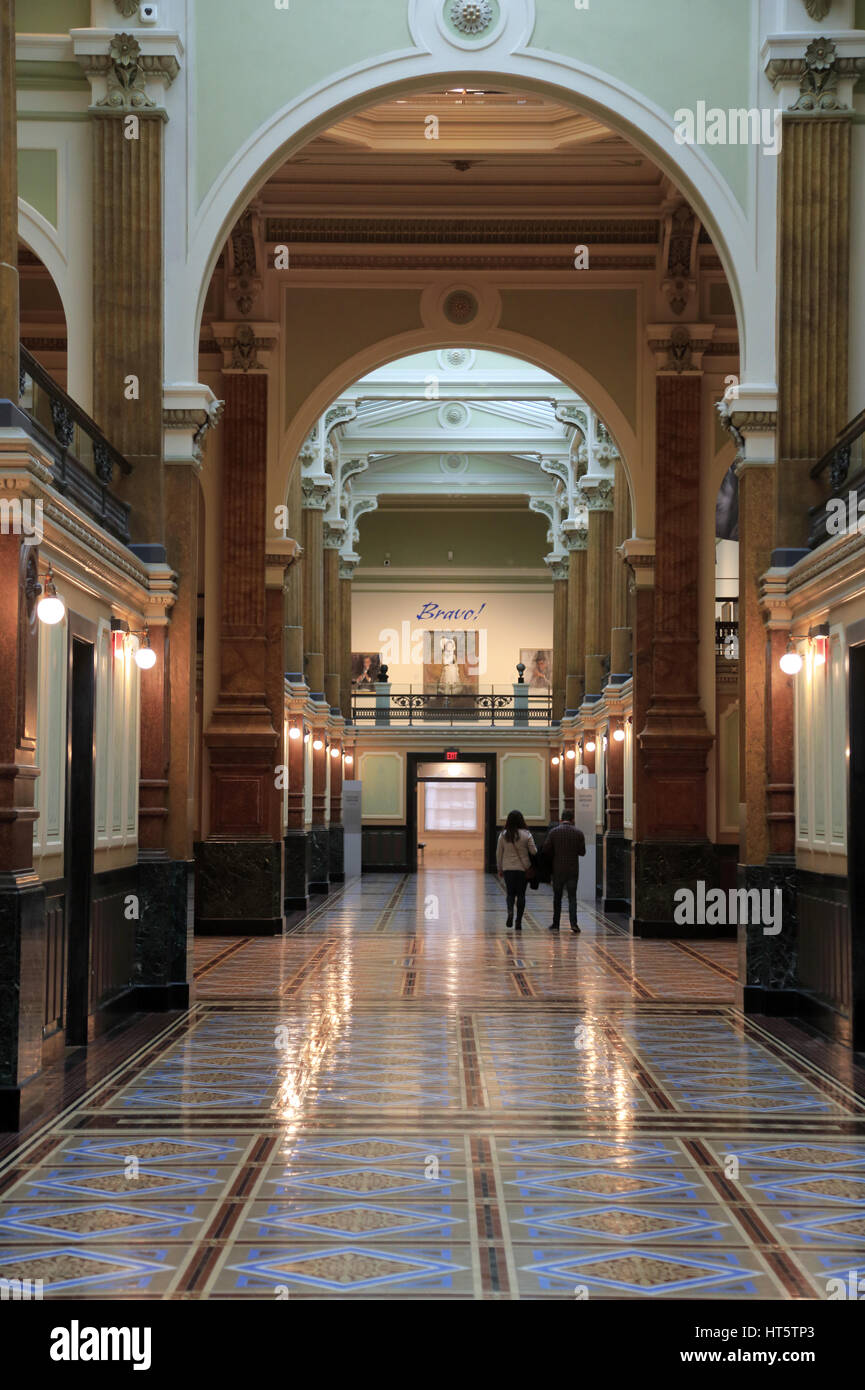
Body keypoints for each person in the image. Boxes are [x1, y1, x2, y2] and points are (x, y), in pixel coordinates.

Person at [541, 809, 586, 933]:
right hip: (572, 870)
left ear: (561, 819)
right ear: (573, 819)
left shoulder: (554, 832)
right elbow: (582, 852)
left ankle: (556, 924)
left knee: (557, 897)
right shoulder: (579, 833)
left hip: (558, 869)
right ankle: (574, 924)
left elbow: (545, 849)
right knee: (572, 897)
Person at [496, 809, 537, 931]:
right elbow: (534, 851)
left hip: (508, 868)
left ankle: (510, 912)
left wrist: (499, 868)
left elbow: (499, 853)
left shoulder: (503, 835)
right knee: (521, 895)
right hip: (523, 869)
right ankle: (518, 921)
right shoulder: (527, 834)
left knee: (510, 894)